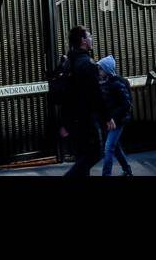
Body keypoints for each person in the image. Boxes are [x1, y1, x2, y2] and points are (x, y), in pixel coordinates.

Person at [54, 27, 108, 177]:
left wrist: (64, 122)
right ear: (83, 40)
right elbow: (95, 94)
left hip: (72, 119)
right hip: (86, 118)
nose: (91, 39)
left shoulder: (69, 61)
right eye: (89, 36)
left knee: (82, 156)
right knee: (95, 152)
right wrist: (107, 116)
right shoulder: (86, 63)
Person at [97, 55, 133, 176]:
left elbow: (126, 103)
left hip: (118, 121)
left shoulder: (118, 83)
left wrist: (113, 117)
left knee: (108, 148)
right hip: (108, 121)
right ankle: (127, 170)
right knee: (115, 147)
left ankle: (106, 174)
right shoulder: (103, 82)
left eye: (101, 69)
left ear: (107, 69)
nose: (99, 71)